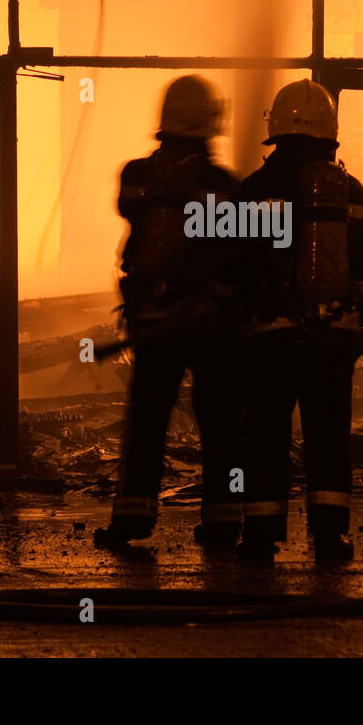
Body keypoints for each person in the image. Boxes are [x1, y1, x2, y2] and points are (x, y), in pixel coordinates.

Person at [229, 79, 363, 563]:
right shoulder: (351, 193)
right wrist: (350, 320)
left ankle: (260, 535)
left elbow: (230, 264)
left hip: (268, 340)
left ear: (274, 133)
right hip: (331, 339)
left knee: (264, 435)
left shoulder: (252, 193)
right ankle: (329, 536)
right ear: (330, 135)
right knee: (329, 435)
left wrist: (242, 316)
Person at [94, 75, 244, 551]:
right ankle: (224, 523)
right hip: (211, 327)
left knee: (148, 420)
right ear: (211, 123)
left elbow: (134, 230)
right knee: (220, 423)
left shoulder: (136, 175)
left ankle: (131, 521)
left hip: (154, 322)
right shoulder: (224, 185)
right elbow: (242, 251)